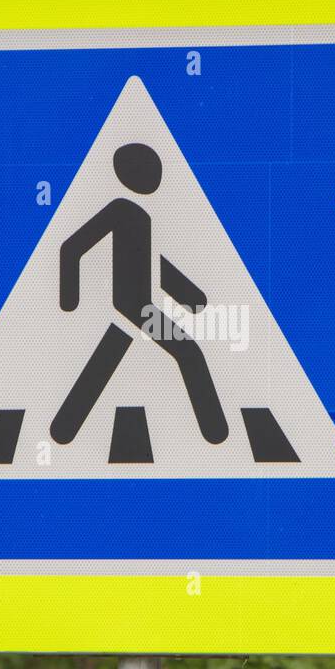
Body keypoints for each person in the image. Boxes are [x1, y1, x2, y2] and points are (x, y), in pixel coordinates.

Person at [51, 142, 229, 446]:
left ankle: (62, 430)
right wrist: (70, 298)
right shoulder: (121, 209)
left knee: (107, 358)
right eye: (150, 169)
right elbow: (72, 248)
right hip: (133, 305)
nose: (156, 177)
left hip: (137, 305)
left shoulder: (140, 216)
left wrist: (190, 297)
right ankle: (216, 432)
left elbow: (152, 264)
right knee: (189, 353)